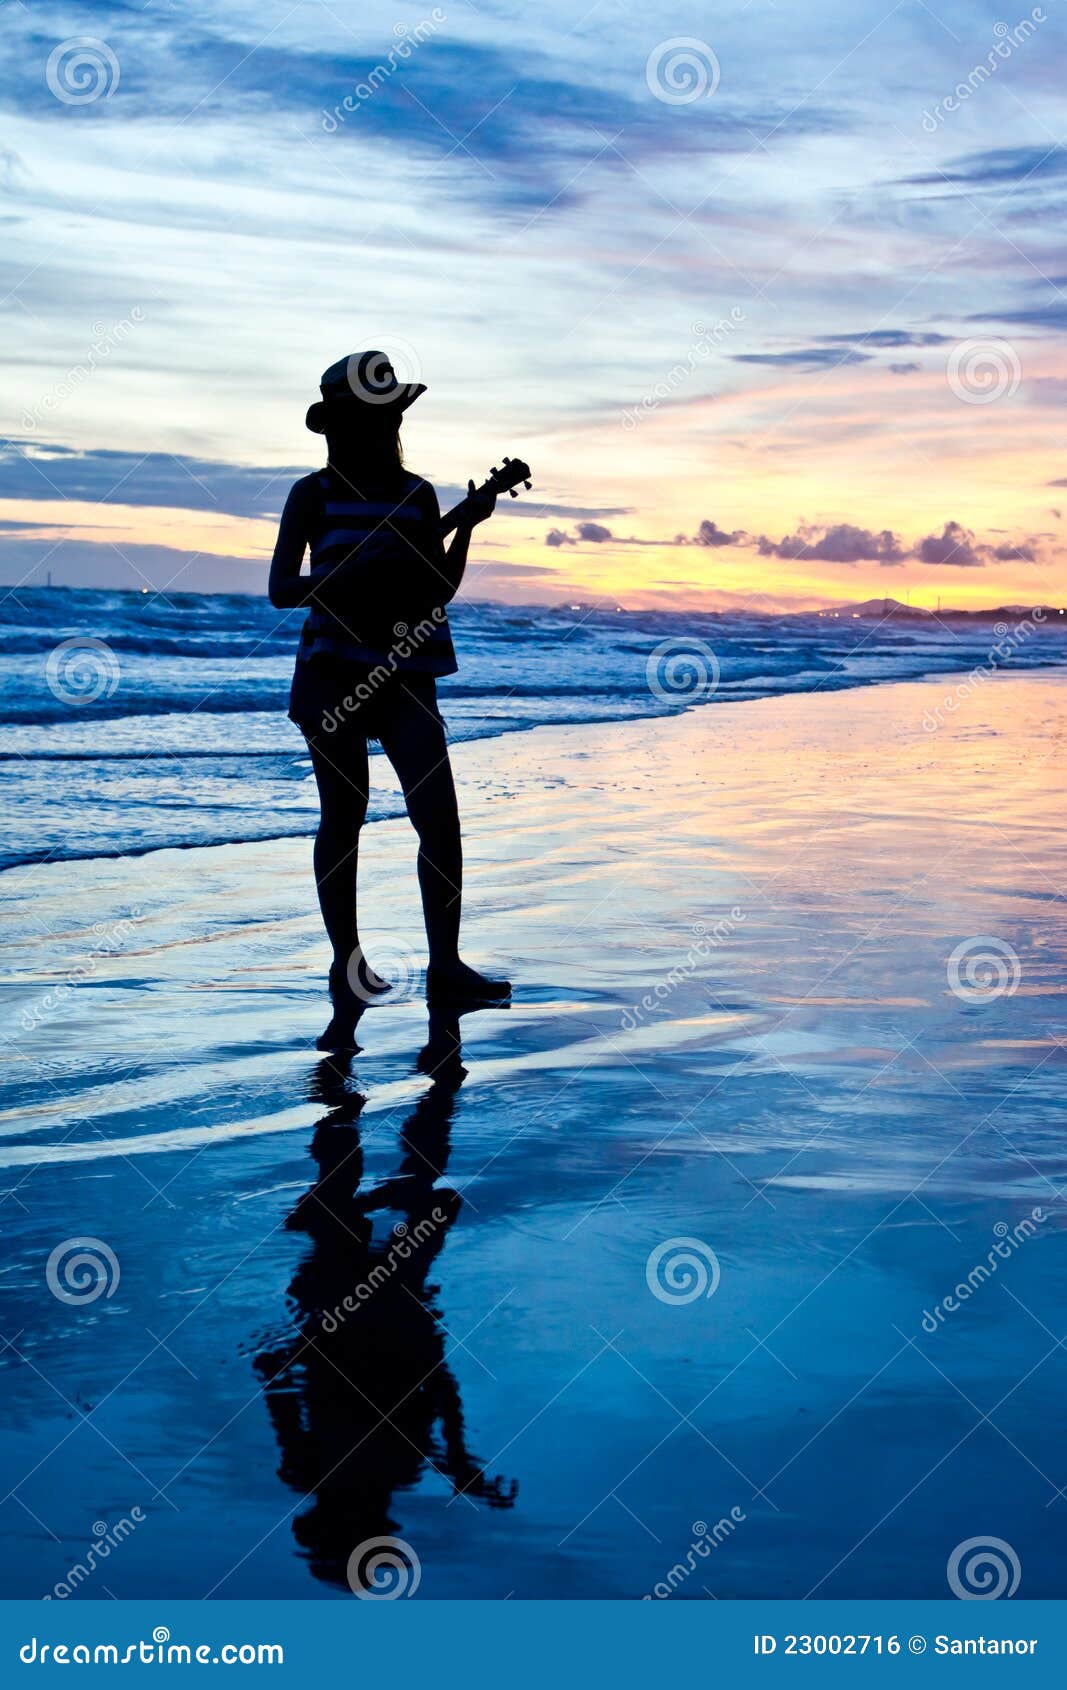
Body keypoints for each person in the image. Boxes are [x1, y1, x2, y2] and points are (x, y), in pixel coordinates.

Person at [269, 352, 510, 1046]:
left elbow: (436, 589)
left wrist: (469, 525)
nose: (386, 428)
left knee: (440, 821)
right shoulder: (311, 494)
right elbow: (281, 589)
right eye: (374, 417)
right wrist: (341, 579)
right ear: (342, 424)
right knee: (343, 819)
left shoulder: (417, 496)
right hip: (331, 675)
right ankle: (346, 963)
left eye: (391, 417)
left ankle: (446, 967)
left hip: (407, 673)